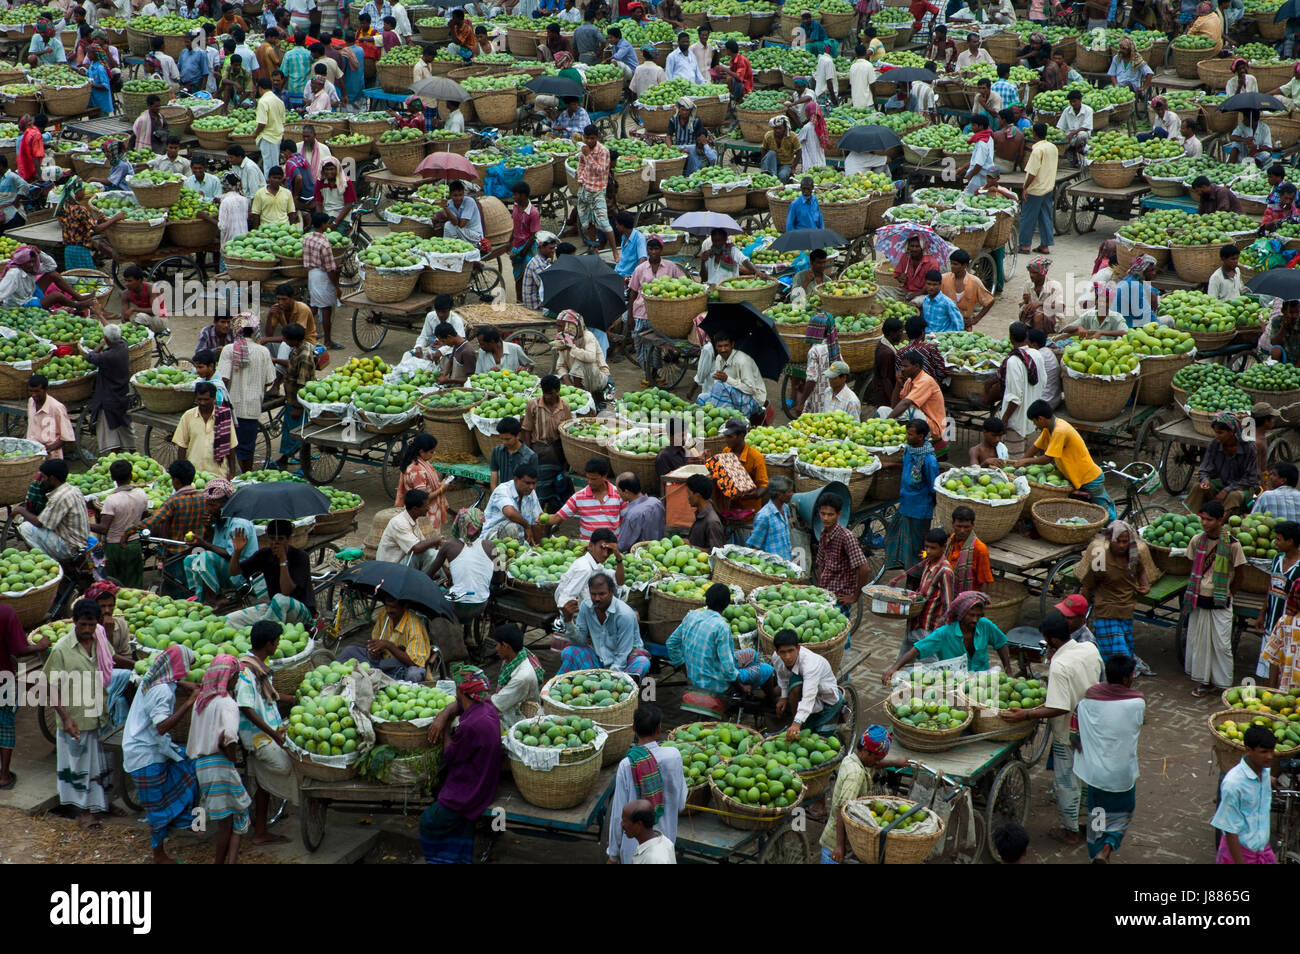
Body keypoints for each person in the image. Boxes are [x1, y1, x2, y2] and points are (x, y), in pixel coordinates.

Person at [1001, 611, 1103, 846]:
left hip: (1069, 731)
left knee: (1067, 783)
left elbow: (1058, 707)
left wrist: (1026, 714)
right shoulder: (1089, 648)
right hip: (1093, 726)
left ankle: (1070, 831)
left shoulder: (1060, 664)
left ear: (1053, 641)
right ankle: (1088, 822)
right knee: (1088, 778)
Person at [121, 644, 199, 863]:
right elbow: (162, 726)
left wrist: (186, 684)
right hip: (144, 754)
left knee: (188, 763)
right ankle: (159, 854)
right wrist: (188, 704)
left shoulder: (154, 678)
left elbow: (171, 681)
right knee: (155, 807)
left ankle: (180, 819)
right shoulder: (162, 692)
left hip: (147, 746)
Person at [45, 600, 116, 829]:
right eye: (83, 624)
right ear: (74, 622)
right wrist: (65, 718)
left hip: (98, 714)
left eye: (92, 625)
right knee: (80, 768)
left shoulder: (100, 642)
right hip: (75, 718)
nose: (87, 630)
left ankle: (102, 804)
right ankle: (84, 811)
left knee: (102, 764)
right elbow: (50, 687)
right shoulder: (61, 649)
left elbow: (110, 664)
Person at [1071, 654, 1145, 863]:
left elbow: (1074, 734)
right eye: (1132, 675)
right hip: (1122, 774)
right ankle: (1107, 848)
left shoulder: (1086, 703)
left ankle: (1096, 852)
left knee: (1097, 815)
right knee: (1122, 813)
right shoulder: (1137, 703)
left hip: (1096, 774)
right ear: (1125, 679)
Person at [606, 704, 686, 864]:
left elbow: (618, 816)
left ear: (633, 728)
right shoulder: (674, 756)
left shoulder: (628, 764)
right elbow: (681, 803)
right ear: (659, 729)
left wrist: (613, 855)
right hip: (665, 842)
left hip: (634, 849)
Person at [1012, 400, 1115, 519]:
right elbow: (1036, 447)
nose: (1035, 425)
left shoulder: (1060, 430)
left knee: (1104, 513)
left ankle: (1119, 532)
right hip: (1075, 478)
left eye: (1034, 422)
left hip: (1089, 477)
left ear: (1040, 419)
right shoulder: (1048, 428)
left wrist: (1026, 461)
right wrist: (1021, 461)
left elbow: (1047, 458)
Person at [1186, 500, 1247, 696]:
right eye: (1202, 519)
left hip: (1221, 601)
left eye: (1209, 520)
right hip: (1199, 599)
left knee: (1221, 644)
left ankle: (1223, 683)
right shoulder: (1196, 540)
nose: (1204, 523)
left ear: (1221, 520)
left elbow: (1239, 574)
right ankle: (1206, 681)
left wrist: (1230, 593)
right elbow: (1191, 567)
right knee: (1201, 642)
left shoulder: (1233, 545)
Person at [1076, 519, 1155, 665]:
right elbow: (1087, 586)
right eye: (1118, 541)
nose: (1122, 546)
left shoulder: (1134, 555)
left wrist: (1145, 585)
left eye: (1125, 542)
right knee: (1120, 656)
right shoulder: (1100, 558)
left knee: (1123, 654)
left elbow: (1141, 570)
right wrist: (1081, 614)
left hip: (1126, 610)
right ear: (1108, 539)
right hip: (1106, 610)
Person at [883, 591, 1013, 681]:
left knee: (987, 714)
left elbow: (1001, 643)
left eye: (978, 615)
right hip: (954, 682)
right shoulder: (944, 633)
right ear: (961, 614)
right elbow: (917, 649)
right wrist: (894, 668)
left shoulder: (985, 625)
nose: (975, 620)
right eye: (971, 615)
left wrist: (1009, 671)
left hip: (982, 680)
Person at [822, 725, 906, 863]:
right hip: (835, 845)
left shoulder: (854, 758)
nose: (878, 762)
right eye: (877, 758)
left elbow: (874, 764)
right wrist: (839, 847)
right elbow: (842, 810)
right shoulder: (855, 775)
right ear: (866, 752)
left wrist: (894, 763)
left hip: (849, 841)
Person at [221, 518, 316, 628]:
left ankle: (268, 633)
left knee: (280, 600)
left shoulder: (300, 556)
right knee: (232, 619)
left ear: (289, 539)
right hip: (275, 607)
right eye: (272, 538)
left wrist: (283, 561)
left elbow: (286, 592)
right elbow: (233, 572)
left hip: (300, 610)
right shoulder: (264, 554)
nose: (275, 543)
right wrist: (237, 552)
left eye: (280, 539)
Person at [181, 479, 261, 604]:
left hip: (240, 573)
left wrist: (203, 544)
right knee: (190, 560)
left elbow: (230, 554)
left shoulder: (239, 523)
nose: (208, 509)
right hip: (225, 567)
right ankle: (201, 596)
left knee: (205, 557)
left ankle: (215, 598)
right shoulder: (220, 519)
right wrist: (208, 528)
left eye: (212, 505)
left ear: (227, 504)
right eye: (207, 504)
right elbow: (215, 545)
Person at [560, 572, 650, 677]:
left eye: (602, 594)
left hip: (625, 663)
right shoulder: (586, 606)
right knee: (569, 652)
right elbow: (580, 641)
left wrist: (609, 677)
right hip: (599, 659)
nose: (597, 598)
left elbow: (623, 654)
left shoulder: (624, 614)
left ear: (611, 592)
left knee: (642, 662)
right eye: (593, 594)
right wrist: (568, 620)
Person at [1211, 723, 1277, 863]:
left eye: (1272, 751)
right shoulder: (1234, 784)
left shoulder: (1265, 771)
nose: (1270, 756)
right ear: (1248, 750)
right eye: (1264, 752)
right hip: (1240, 854)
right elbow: (1230, 829)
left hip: (1261, 848)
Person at [889, 527, 956, 663]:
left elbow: (949, 606)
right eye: (926, 547)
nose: (929, 551)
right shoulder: (928, 561)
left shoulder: (945, 572)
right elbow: (925, 556)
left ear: (943, 547)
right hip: (915, 624)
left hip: (928, 629)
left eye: (933, 548)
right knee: (903, 663)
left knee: (928, 668)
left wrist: (939, 633)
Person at [338, 593, 433, 681]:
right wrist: (374, 652)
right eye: (386, 606)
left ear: (405, 606)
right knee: (349, 651)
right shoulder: (384, 615)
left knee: (414, 674)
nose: (388, 610)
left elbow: (414, 663)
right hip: (382, 662)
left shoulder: (414, 626)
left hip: (403, 666)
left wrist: (389, 645)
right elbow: (375, 642)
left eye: (393, 607)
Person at [771, 628, 844, 739]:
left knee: (820, 738)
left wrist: (796, 723)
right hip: (804, 691)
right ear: (777, 652)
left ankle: (798, 722)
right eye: (783, 652)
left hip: (824, 696)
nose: (787, 657)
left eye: (791, 651)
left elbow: (808, 697)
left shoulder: (811, 664)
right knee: (794, 683)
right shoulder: (776, 658)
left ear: (798, 648)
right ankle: (797, 721)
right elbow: (783, 677)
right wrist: (784, 697)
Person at [887, 418, 940, 572]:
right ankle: (905, 568)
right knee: (899, 538)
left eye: (910, 434)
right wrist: (891, 465)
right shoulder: (910, 450)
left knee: (919, 548)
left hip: (919, 510)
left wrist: (932, 508)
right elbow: (906, 466)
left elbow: (934, 487)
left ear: (921, 436)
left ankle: (916, 577)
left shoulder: (929, 460)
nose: (907, 437)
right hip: (905, 504)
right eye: (907, 433)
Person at [1187, 412, 1259, 515]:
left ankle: (1219, 524)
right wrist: (1205, 480)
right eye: (1215, 432)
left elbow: (1251, 479)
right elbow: (1204, 468)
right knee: (1197, 487)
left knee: (1233, 496)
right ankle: (1188, 518)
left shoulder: (1249, 448)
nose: (1216, 436)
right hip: (1223, 483)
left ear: (1232, 431)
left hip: (1244, 489)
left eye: (1220, 433)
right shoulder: (1214, 445)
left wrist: (1227, 490)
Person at [16, 459, 88, 561]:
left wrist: (20, 510)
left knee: (25, 527)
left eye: (44, 477)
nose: (42, 480)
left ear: (52, 478)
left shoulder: (59, 497)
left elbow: (39, 523)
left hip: (70, 546)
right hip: (79, 540)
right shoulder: (73, 489)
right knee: (26, 521)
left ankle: (48, 560)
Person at [430, 507, 498, 615]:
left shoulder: (449, 545)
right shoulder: (491, 546)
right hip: (481, 603)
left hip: (456, 605)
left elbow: (429, 574)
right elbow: (500, 577)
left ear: (460, 525)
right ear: (480, 526)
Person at [813, 492, 871, 616]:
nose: (826, 518)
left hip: (840, 597)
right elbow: (821, 563)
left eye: (830, 515)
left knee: (840, 630)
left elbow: (864, 569)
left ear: (838, 515)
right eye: (823, 514)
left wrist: (854, 597)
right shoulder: (823, 533)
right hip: (826, 594)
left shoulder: (846, 537)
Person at [995, 322, 1046, 458]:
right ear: (1027, 336)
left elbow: (1015, 398)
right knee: (1030, 462)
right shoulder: (1036, 354)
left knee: (1015, 463)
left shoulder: (1013, 361)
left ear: (1011, 338)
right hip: (1033, 418)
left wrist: (1004, 419)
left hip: (1016, 421)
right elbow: (1043, 382)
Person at [554, 529, 626, 624]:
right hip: (580, 618)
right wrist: (572, 623)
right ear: (591, 546)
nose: (605, 554)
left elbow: (620, 582)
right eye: (602, 548)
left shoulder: (597, 566)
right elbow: (565, 599)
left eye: (609, 551)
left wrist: (619, 559)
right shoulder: (585, 568)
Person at [695, 331, 766, 422]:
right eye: (720, 346)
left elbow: (750, 389)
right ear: (716, 346)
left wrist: (727, 379)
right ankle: (710, 422)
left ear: (732, 345)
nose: (723, 349)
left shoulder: (743, 361)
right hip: (732, 394)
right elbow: (718, 385)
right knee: (701, 397)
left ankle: (724, 423)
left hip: (753, 399)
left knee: (721, 387)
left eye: (726, 345)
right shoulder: (719, 359)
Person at [552, 456, 624, 540]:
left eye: (593, 479)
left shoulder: (619, 494)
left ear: (604, 476)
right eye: (588, 478)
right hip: (588, 546)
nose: (590, 482)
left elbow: (625, 521)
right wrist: (542, 519)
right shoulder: (579, 496)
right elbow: (557, 517)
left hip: (612, 545)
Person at [885, 350, 946, 443]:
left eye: (905, 366)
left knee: (908, 409)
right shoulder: (909, 381)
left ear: (916, 366)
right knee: (883, 410)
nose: (902, 369)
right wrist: (898, 383)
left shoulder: (925, 381)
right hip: (918, 421)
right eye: (902, 366)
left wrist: (886, 422)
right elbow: (894, 406)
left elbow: (905, 403)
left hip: (933, 427)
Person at [393, 432, 448, 533]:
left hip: (422, 509)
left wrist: (442, 485)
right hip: (424, 513)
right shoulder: (417, 470)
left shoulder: (417, 462)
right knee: (427, 538)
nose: (433, 454)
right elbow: (423, 498)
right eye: (431, 452)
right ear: (422, 452)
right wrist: (441, 489)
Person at [376, 489, 442, 573]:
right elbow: (416, 548)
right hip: (390, 570)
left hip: (401, 563)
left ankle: (440, 579)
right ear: (415, 509)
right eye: (425, 506)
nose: (428, 508)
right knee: (431, 554)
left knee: (433, 553)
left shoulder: (413, 519)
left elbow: (422, 543)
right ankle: (426, 581)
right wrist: (436, 540)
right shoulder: (399, 523)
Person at [1019, 123, 1057, 255]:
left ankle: (1024, 245)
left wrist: (1025, 188)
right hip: (1048, 187)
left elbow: (1032, 172)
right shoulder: (1053, 147)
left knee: (1027, 217)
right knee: (1045, 216)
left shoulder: (1037, 151)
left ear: (1034, 134)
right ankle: (1045, 245)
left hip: (1035, 189)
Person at [553, 309, 610, 396]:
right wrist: (568, 382)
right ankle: (577, 391)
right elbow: (560, 366)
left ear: (571, 326)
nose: (558, 329)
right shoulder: (564, 339)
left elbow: (590, 357)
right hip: (576, 377)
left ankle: (581, 394)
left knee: (580, 361)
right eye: (557, 326)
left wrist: (571, 348)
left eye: (560, 326)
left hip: (597, 378)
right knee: (550, 383)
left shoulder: (588, 336)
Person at [483, 463, 542, 542]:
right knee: (511, 528)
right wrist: (527, 526)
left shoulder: (531, 493)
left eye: (534, 483)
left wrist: (540, 546)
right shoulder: (503, 489)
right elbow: (510, 513)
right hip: (491, 538)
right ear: (516, 479)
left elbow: (536, 521)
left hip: (516, 541)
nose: (531, 487)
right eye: (527, 483)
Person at [26, 373, 75, 462]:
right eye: (30, 391)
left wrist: (48, 449)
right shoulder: (31, 402)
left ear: (45, 390)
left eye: (37, 391)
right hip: (31, 452)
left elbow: (66, 437)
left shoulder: (56, 408)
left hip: (51, 457)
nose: (33, 395)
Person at [916, 269, 966, 334]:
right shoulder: (925, 300)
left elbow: (959, 324)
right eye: (929, 284)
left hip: (941, 338)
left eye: (935, 285)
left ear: (940, 285)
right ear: (925, 284)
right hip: (927, 337)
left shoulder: (947, 302)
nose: (931, 287)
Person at [893, 233, 943, 298]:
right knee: (881, 291)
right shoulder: (906, 257)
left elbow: (932, 287)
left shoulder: (932, 263)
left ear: (923, 247)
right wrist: (900, 278)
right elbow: (897, 274)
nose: (914, 249)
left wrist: (914, 295)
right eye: (912, 246)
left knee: (914, 304)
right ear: (908, 246)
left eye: (917, 246)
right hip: (905, 291)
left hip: (924, 294)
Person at [686, 473, 726, 551]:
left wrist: (691, 547)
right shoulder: (701, 513)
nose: (687, 497)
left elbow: (716, 553)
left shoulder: (712, 522)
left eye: (689, 494)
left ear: (697, 495)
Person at [760, 116, 799, 183]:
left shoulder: (792, 136)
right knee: (771, 153)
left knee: (782, 176)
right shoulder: (768, 136)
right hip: (773, 161)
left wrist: (793, 167)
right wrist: (765, 164)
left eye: (780, 128)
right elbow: (764, 149)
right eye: (775, 128)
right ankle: (768, 173)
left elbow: (799, 151)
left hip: (786, 163)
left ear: (785, 128)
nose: (777, 130)